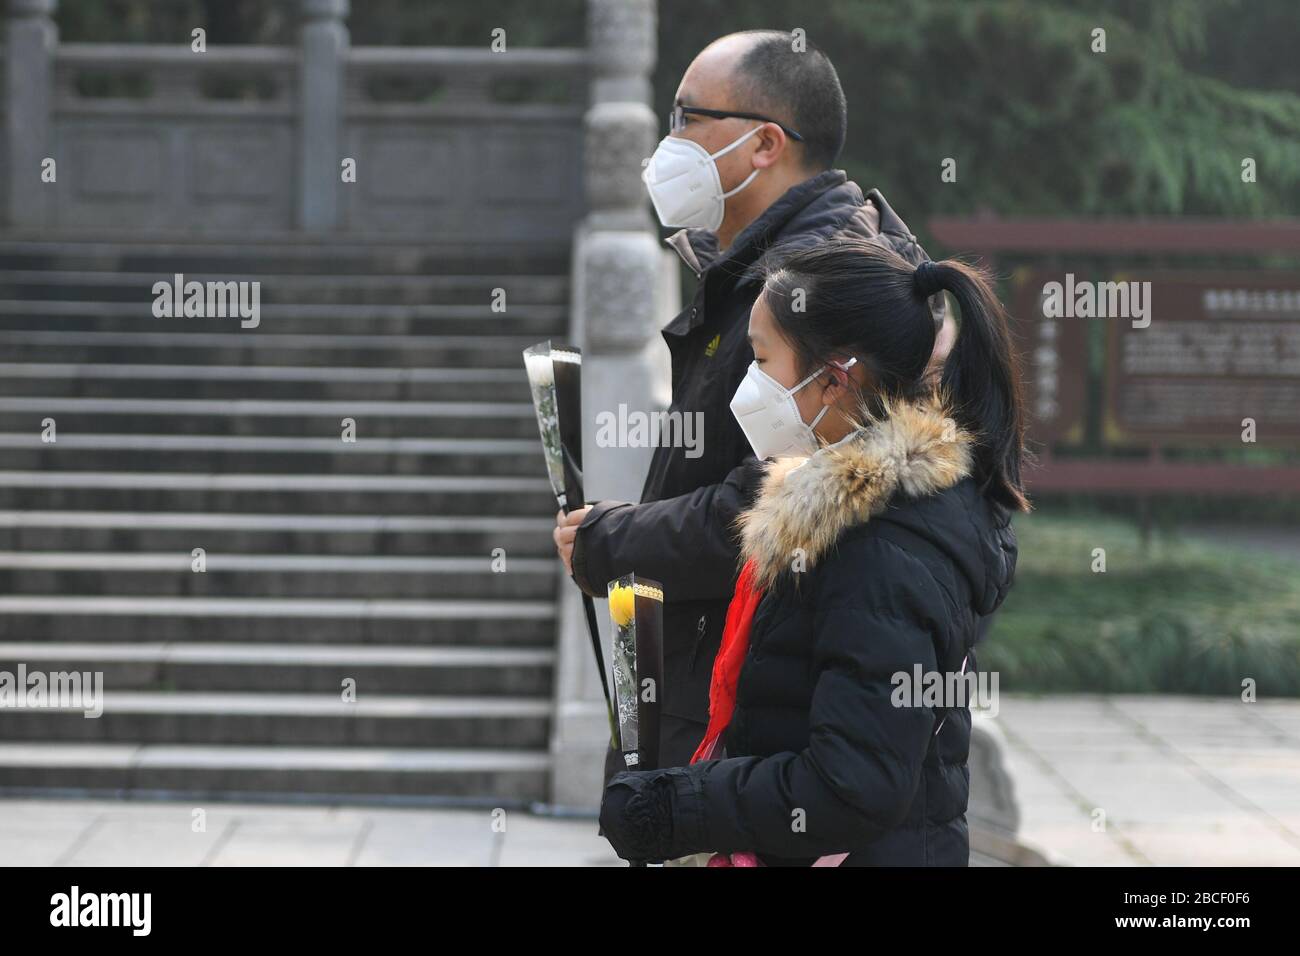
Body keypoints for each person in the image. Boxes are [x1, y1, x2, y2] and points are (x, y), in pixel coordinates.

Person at [552, 29, 951, 780]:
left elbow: (780, 499)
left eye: (686, 118)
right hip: (720, 704)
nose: (668, 143)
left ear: (765, 143)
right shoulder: (766, 269)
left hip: (759, 726)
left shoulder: (817, 285)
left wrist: (615, 541)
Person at [596, 236, 1028, 866]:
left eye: (763, 359)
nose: (749, 383)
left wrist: (676, 807)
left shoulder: (886, 545)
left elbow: (851, 787)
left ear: (833, 380)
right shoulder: (850, 516)